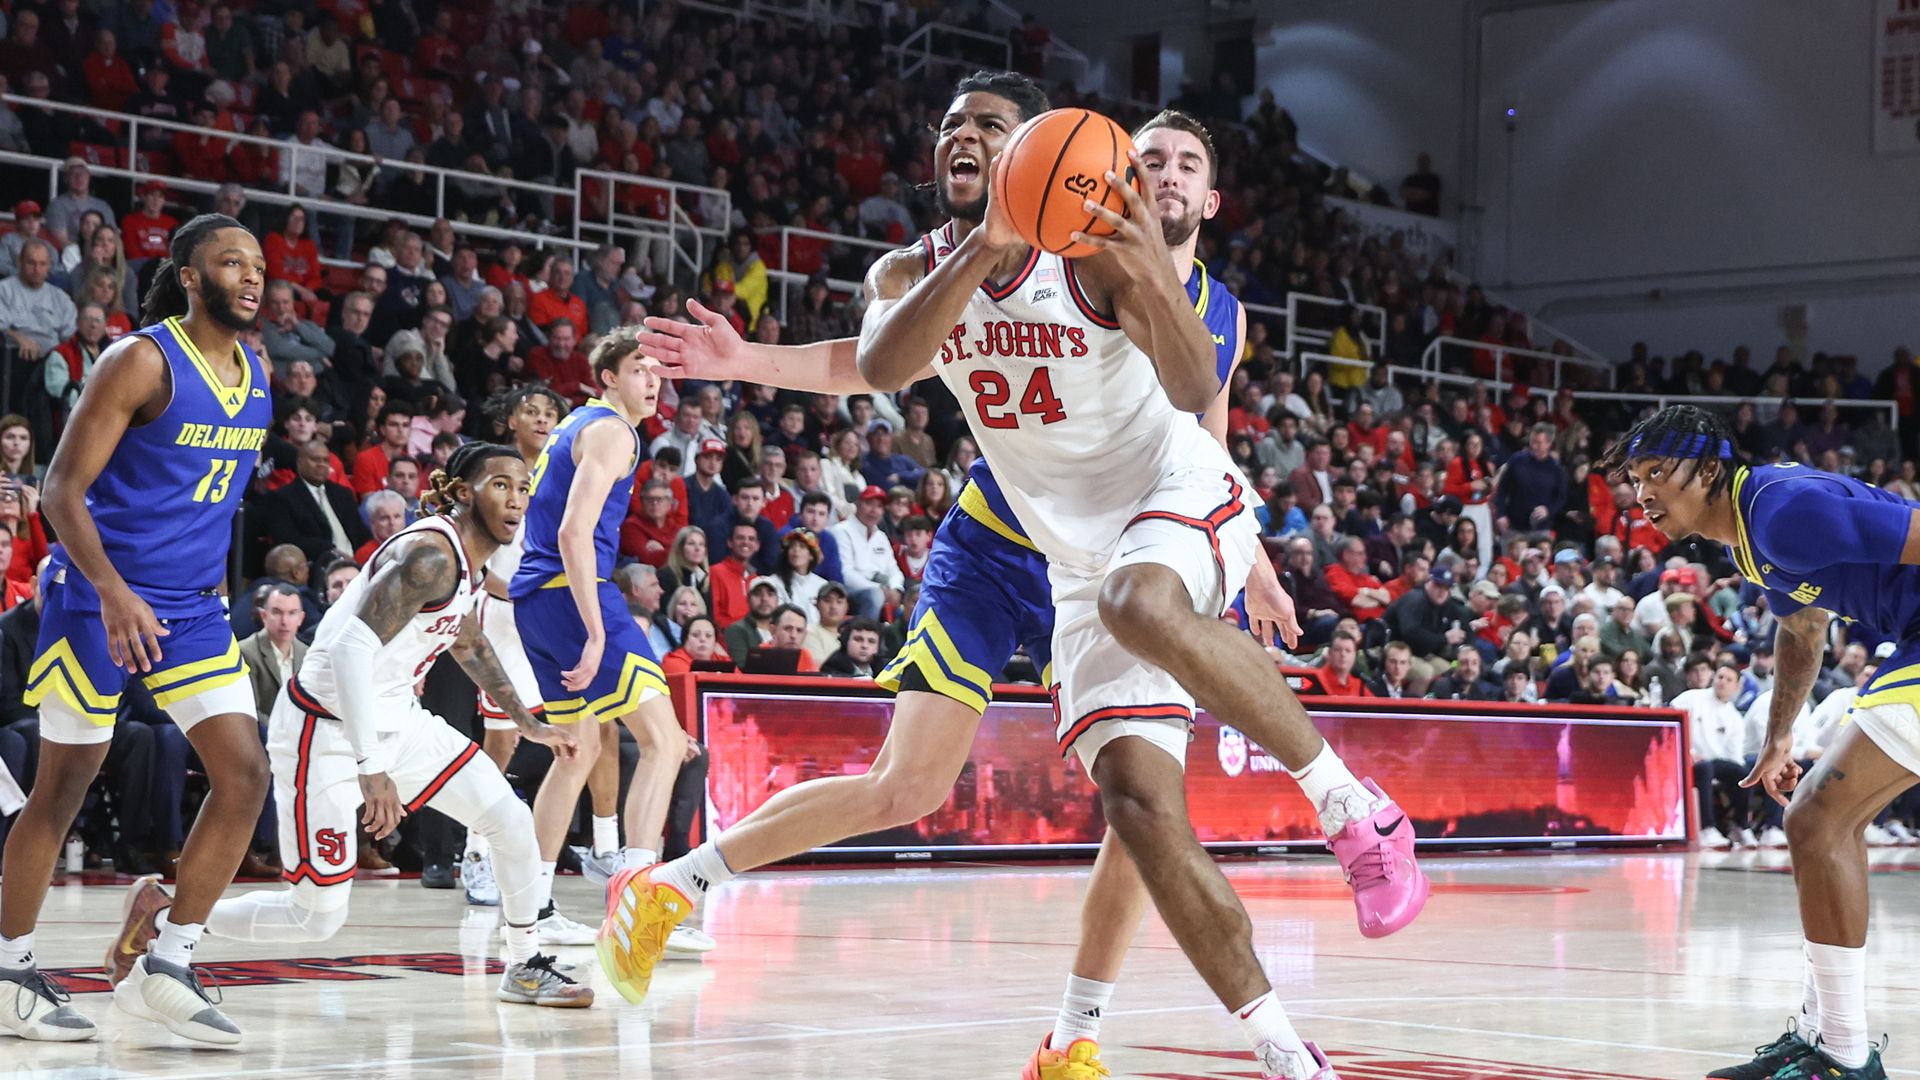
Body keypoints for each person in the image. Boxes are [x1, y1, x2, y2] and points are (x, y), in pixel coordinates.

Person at [616, 85, 1423, 1080]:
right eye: (952, 124)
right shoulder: (911, 270)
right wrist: (749, 361)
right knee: (912, 784)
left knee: (1146, 792)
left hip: (1143, 514)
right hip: (1009, 537)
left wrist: (1248, 552)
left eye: (993, 127)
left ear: (1042, 153)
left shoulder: (1102, 255)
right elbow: (873, 362)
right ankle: (675, 885)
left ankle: (1096, 1028)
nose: (966, 136)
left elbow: (1197, 408)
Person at [0, 215, 273, 1044]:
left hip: (190, 608)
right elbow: (59, 491)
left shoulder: (257, 373)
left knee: (245, 774)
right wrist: (113, 592)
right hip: (98, 597)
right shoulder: (141, 359)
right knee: (63, 789)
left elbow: (214, 508)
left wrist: (215, 598)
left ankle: (168, 962)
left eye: (258, 264)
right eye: (231, 262)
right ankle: (9, 966)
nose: (252, 276)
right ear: (190, 276)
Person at [202, 444, 589, 1007]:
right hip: (327, 731)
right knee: (315, 919)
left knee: (509, 818)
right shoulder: (429, 555)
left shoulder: (468, 561)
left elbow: (465, 636)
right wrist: (372, 768)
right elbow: (350, 651)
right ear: (462, 493)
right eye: (501, 485)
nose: (516, 499)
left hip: (397, 720)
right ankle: (172, 920)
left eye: (523, 487)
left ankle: (525, 963)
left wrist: (527, 721)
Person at [1604, 403, 1920, 1079]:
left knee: (1816, 819)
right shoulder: (1748, 538)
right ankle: (1826, 1037)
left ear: (1710, 469)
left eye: (1659, 471)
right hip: (1911, 638)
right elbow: (1803, 630)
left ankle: (1841, 1055)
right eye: (1636, 479)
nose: (1644, 493)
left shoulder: (1784, 507)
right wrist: (1778, 739)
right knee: (1826, 823)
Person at [507, 327, 710, 977]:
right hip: (572, 592)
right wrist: (597, 630)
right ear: (609, 379)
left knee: (578, 749)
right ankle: (638, 900)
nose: (653, 381)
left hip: (533, 598)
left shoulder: (579, 426)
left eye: (659, 372)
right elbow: (573, 529)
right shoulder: (614, 431)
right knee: (665, 742)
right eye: (639, 369)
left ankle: (532, 907)